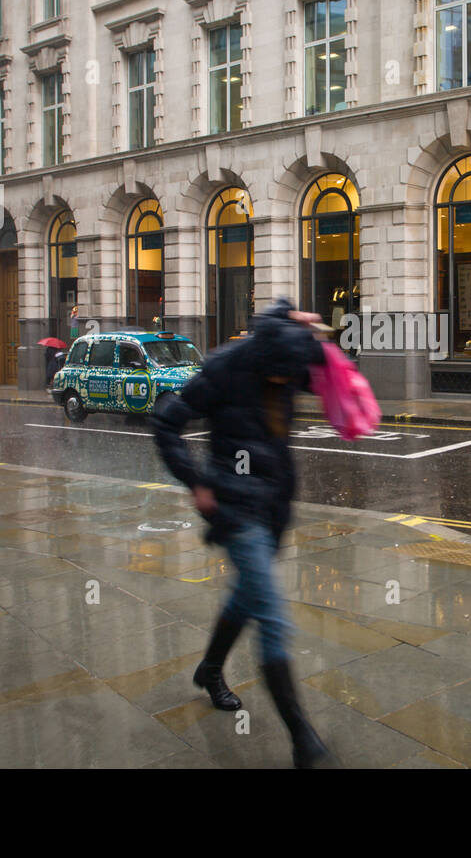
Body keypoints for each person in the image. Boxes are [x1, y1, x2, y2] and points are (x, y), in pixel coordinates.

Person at [151, 298, 332, 768]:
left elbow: (327, 359)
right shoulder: (225, 366)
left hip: (274, 502)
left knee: (248, 597)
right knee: (272, 615)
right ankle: (304, 741)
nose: (284, 385)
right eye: (278, 377)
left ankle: (209, 670)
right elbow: (166, 423)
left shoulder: (289, 351)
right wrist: (196, 483)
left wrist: (308, 325)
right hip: (233, 505)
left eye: (290, 379)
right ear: (261, 360)